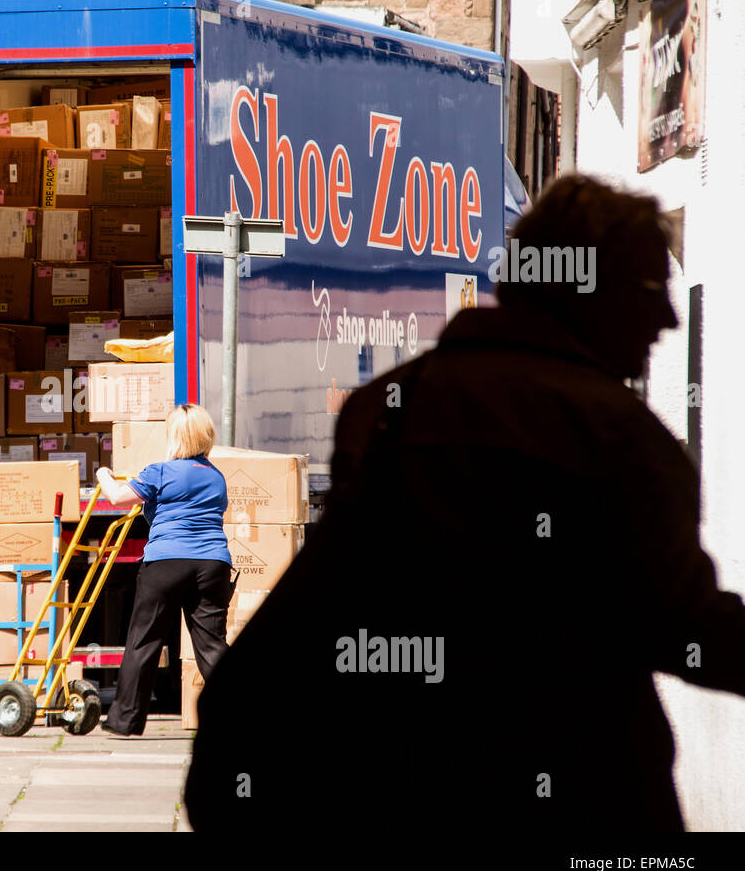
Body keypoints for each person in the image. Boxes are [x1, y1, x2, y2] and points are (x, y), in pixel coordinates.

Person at [185, 173, 745, 833]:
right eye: (652, 287)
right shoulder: (621, 437)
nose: (669, 318)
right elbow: (684, 628)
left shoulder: (388, 410)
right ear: (592, 289)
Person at [96, 404, 235, 736]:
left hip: (166, 563)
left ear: (173, 436)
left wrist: (103, 474)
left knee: (144, 641)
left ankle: (125, 720)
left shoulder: (159, 472)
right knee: (212, 646)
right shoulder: (216, 477)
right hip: (213, 564)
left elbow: (117, 498)